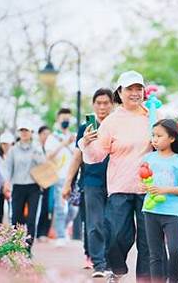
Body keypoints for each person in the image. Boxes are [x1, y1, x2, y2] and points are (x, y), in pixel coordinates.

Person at [80, 70, 151, 283]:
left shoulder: (152, 115)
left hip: (149, 188)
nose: (135, 93)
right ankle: (118, 269)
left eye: (139, 88)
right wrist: (86, 143)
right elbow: (96, 156)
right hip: (120, 187)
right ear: (119, 92)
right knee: (117, 236)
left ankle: (145, 279)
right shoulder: (111, 121)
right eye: (130, 89)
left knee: (148, 241)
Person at [63, 88, 114, 277]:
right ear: (93, 105)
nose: (102, 107)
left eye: (106, 103)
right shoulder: (86, 128)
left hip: (115, 181)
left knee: (113, 224)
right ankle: (99, 264)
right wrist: (68, 182)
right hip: (91, 181)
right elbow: (77, 156)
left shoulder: (117, 126)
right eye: (98, 103)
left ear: (112, 104)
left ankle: (110, 260)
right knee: (94, 223)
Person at [141, 119, 178, 283]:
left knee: (175, 250)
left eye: (159, 136)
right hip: (151, 211)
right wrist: (144, 187)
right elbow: (144, 180)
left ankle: (173, 280)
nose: (154, 139)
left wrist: (164, 190)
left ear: (171, 138)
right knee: (155, 253)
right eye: (153, 135)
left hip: (171, 213)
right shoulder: (149, 158)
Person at [5, 122, 45, 252]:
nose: (24, 133)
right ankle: (16, 247)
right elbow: (8, 168)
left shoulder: (37, 148)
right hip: (18, 187)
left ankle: (28, 248)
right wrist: (7, 183)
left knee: (31, 218)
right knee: (16, 217)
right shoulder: (13, 150)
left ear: (31, 132)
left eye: (26, 130)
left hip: (34, 187)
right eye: (21, 130)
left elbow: (43, 164)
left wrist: (36, 155)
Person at [45, 108, 78, 246]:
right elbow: (49, 156)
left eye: (67, 118)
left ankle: (63, 229)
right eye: (63, 118)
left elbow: (77, 155)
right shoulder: (52, 137)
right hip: (59, 176)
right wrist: (63, 143)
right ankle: (60, 235)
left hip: (73, 176)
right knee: (60, 206)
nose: (65, 121)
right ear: (58, 120)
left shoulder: (74, 136)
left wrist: (70, 143)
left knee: (73, 209)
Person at [36, 125, 52, 241]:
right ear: (39, 135)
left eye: (48, 134)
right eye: (44, 134)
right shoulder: (36, 148)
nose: (47, 137)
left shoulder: (49, 148)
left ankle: (43, 233)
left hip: (48, 180)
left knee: (47, 206)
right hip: (35, 181)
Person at [0, 131, 14, 225]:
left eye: (7, 144)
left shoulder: (15, 155)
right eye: (3, 144)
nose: (5, 146)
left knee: (12, 211)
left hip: (12, 187)